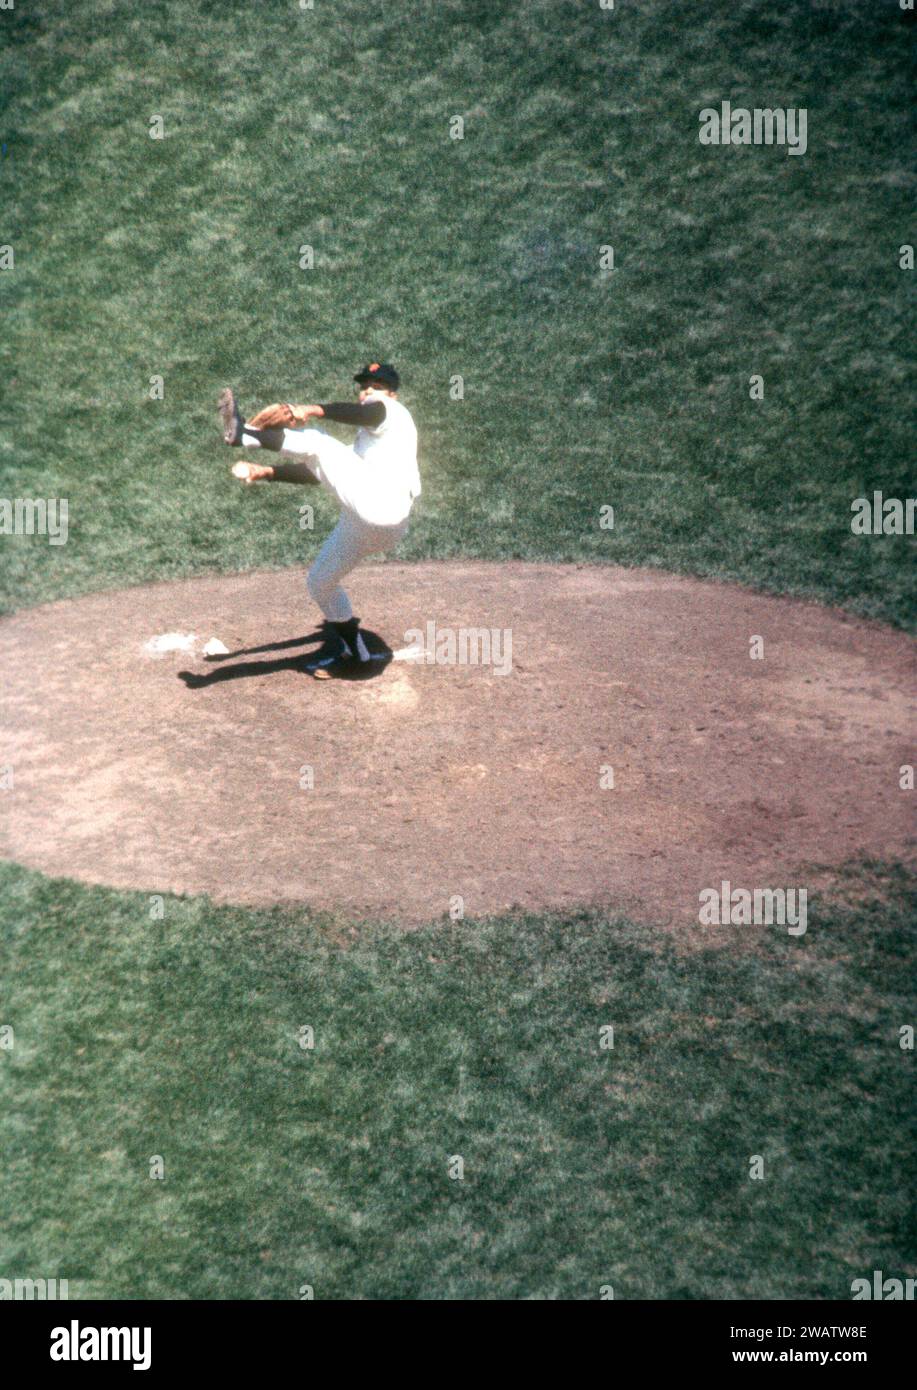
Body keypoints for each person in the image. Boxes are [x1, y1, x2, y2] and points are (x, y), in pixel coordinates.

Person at [218, 362, 420, 675]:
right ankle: (358, 655)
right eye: (364, 385)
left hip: (385, 506)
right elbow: (319, 472)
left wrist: (309, 409)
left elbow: (368, 413)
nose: (367, 390)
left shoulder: (393, 413)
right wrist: (266, 472)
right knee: (320, 582)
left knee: (317, 440)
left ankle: (242, 434)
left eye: (376, 385)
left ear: (391, 393)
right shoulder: (369, 441)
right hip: (370, 524)